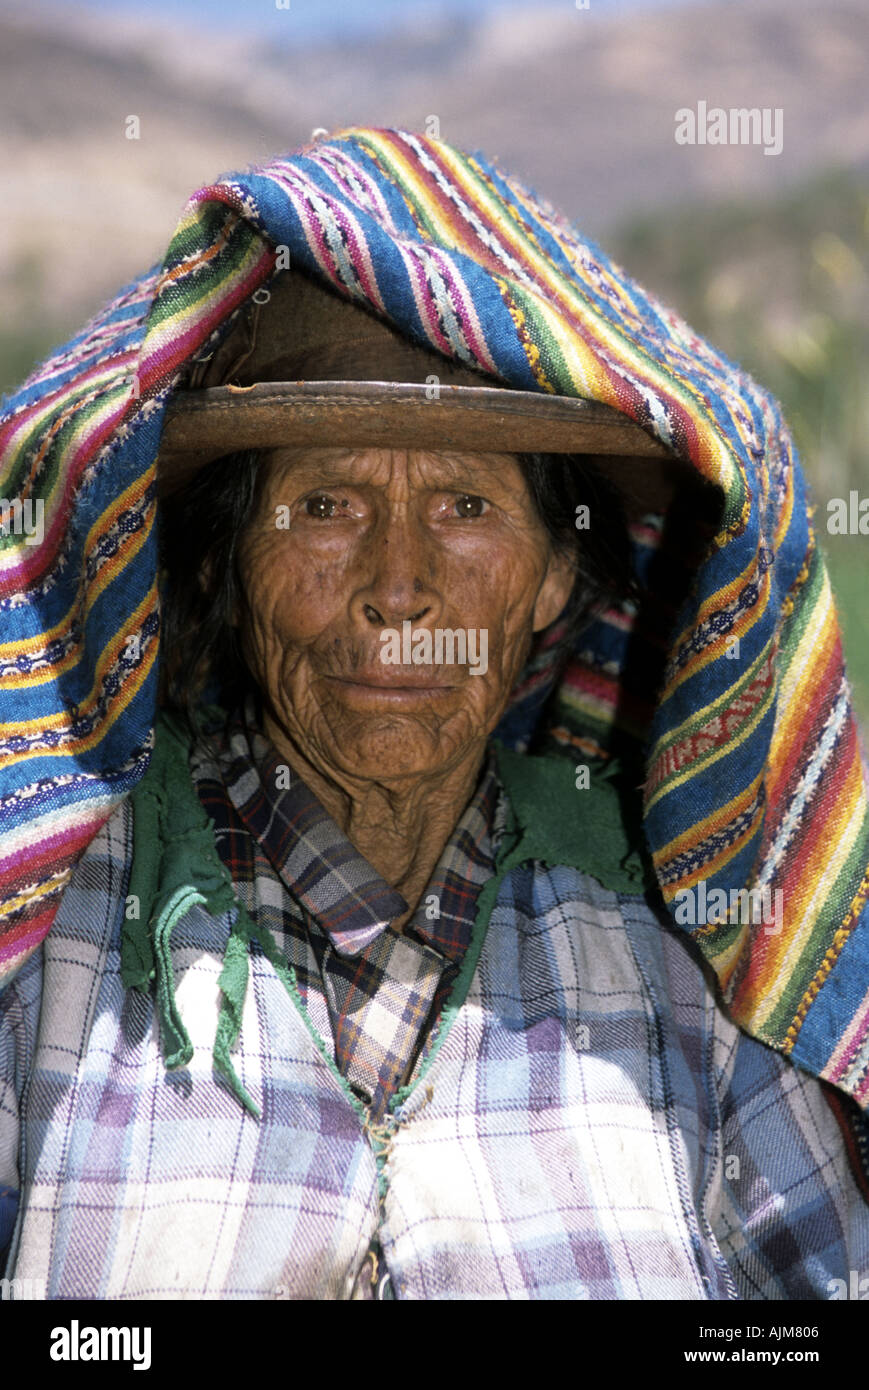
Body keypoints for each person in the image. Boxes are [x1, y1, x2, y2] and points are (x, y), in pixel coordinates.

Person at [1, 126, 868, 1301]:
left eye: (464, 505)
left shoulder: (676, 943)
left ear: (555, 577)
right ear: (223, 567)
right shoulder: (55, 939)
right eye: (324, 506)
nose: (397, 588)